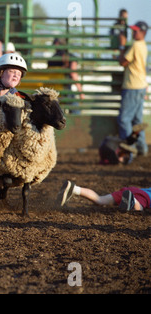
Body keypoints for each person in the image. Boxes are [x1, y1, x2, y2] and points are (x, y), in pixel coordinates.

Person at [118, 21, 148, 156]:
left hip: (132, 86)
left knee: (124, 119)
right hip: (141, 85)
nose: (133, 33)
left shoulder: (135, 45)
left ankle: (129, 149)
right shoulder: (143, 45)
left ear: (143, 33)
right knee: (137, 121)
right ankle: (142, 148)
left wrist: (121, 45)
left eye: (136, 31)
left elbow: (123, 62)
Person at [57, 180, 149, 213]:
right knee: (138, 209)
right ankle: (133, 200)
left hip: (132, 190)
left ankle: (75, 189)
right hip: (144, 196)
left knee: (100, 199)